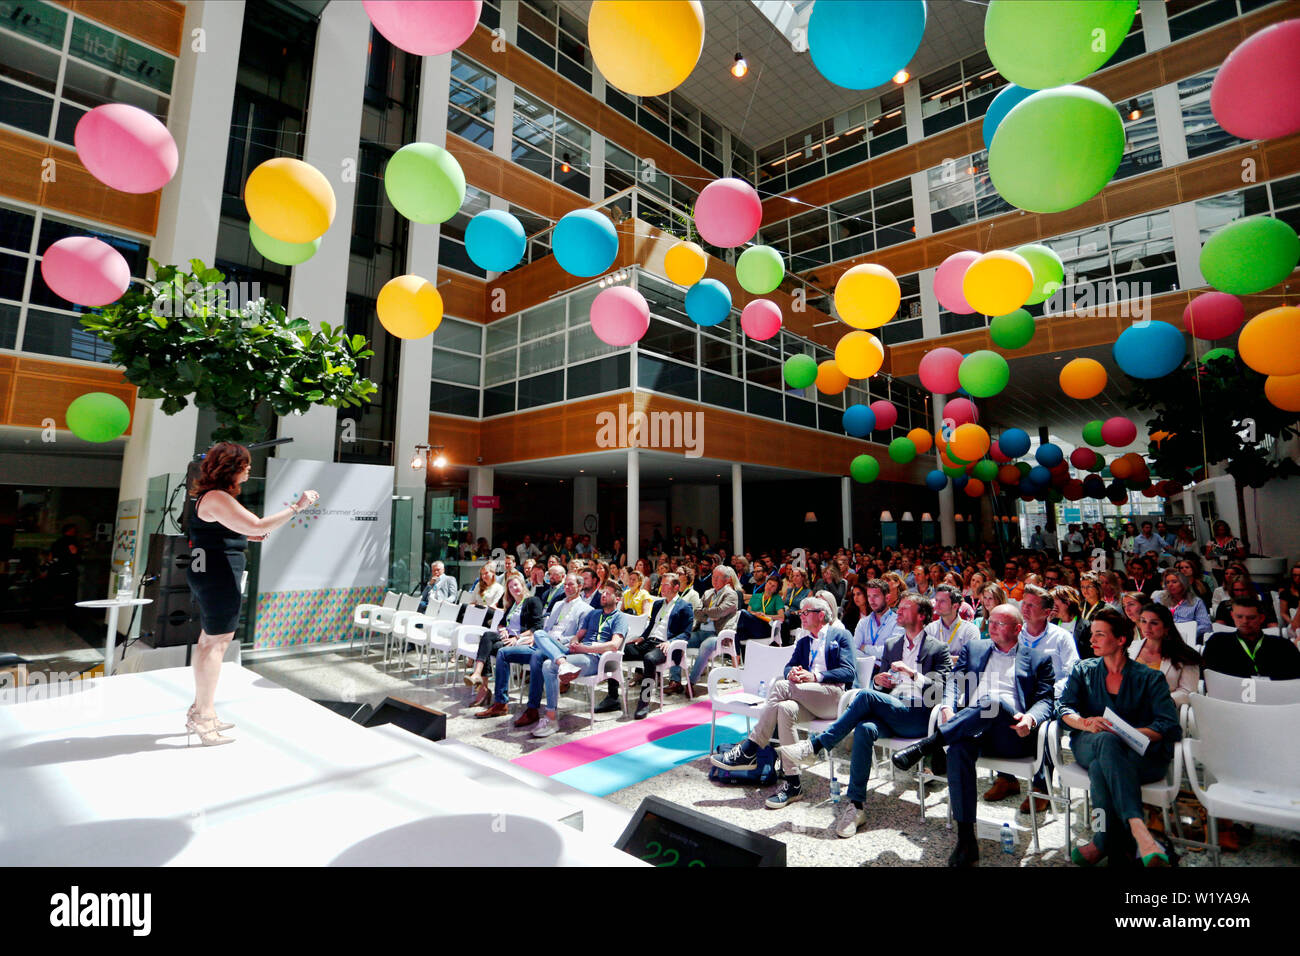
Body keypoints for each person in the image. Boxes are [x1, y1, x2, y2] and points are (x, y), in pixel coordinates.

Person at [891, 603, 1055, 867]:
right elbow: (955, 682)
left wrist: (1031, 717)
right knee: (958, 749)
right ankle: (966, 840)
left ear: (1018, 629)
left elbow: (1047, 700)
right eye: (990, 622)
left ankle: (928, 745)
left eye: (1001, 624)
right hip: (974, 729)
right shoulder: (976, 648)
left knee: (994, 702)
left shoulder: (1038, 658)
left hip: (1013, 732)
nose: (992, 628)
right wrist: (946, 704)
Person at [778, 593, 953, 838]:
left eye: (905, 608)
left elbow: (939, 692)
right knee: (864, 728)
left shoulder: (938, 649)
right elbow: (881, 685)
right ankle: (856, 806)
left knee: (865, 696)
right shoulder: (893, 644)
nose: (899, 612)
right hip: (891, 709)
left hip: (918, 716)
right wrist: (879, 682)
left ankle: (816, 745)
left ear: (922, 616)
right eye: (899, 607)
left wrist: (912, 674)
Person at [186, 442, 318, 746]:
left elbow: (237, 529)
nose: (249, 469)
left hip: (211, 571)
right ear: (232, 468)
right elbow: (256, 523)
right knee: (216, 643)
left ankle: (201, 709)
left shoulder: (212, 497)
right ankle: (203, 717)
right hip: (217, 574)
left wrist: (247, 534)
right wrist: (298, 507)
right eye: (245, 465)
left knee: (210, 641)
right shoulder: (217, 497)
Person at [1060, 607, 1181, 867]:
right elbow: (1064, 709)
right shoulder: (1083, 669)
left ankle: (1102, 840)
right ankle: (1139, 829)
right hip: (1089, 742)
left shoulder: (1150, 678)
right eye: (1092, 634)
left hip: (1141, 755)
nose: (1091, 640)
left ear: (1121, 640)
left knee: (1102, 764)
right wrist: (1084, 722)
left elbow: (1168, 725)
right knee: (1105, 741)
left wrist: (1126, 733)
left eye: (1100, 635)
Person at [710, 596, 857, 808]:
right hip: (806, 697)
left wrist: (815, 677)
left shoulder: (840, 635)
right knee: (784, 708)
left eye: (806, 612)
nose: (801, 616)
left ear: (821, 615)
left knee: (779, 687)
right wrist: (794, 673)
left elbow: (849, 671)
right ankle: (793, 784)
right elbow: (788, 667)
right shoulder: (804, 641)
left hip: (832, 697)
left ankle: (750, 747)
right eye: (801, 613)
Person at [478, 572, 591, 724]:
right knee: (503, 652)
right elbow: (545, 628)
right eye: (565, 584)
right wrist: (535, 639)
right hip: (540, 642)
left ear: (580, 586)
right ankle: (500, 703)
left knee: (537, 656)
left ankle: (532, 710)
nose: (567, 587)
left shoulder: (586, 609)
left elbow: (578, 637)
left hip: (558, 647)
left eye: (571, 584)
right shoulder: (558, 604)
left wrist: (548, 639)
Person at [464, 575, 543, 707]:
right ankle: (477, 675)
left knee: (487, 648)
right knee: (487, 635)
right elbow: (501, 624)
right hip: (506, 637)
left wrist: (517, 638)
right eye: (511, 587)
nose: (514, 589)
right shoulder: (512, 605)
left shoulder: (532, 601)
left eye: (516, 585)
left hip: (519, 640)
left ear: (523, 585)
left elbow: (537, 626)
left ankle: (483, 687)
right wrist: (503, 629)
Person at [623, 572, 694, 719]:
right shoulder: (657, 604)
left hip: (665, 645)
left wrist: (670, 642)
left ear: (676, 587)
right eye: (661, 584)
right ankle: (612, 696)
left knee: (649, 659)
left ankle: (644, 702)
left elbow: (686, 633)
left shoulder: (684, 606)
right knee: (619, 650)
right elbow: (651, 626)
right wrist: (641, 637)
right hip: (649, 642)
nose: (662, 588)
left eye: (666, 585)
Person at [1202, 594, 1300, 680]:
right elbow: (1208, 677)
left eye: (1251, 617)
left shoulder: (1283, 646)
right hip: (1229, 696)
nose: (1245, 621)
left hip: (1273, 696)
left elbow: (1294, 679)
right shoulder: (1217, 643)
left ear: (1261, 618)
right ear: (1232, 616)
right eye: (1239, 617)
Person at [681, 567, 742, 690]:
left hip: (717, 634)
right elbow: (696, 612)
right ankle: (675, 681)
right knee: (678, 642)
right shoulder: (707, 593)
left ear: (726, 580)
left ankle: (691, 682)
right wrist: (709, 615)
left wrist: (706, 613)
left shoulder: (731, 594)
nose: (714, 580)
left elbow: (719, 612)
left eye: (718, 577)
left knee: (706, 646)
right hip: (700, 631)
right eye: (713, 577)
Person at [1133, 603, 1202, 707]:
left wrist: (1160, 701)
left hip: (1161, 710)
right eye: (1143, 621)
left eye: (1154, 623)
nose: (1147, 627)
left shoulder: (1185, 655)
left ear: (1166, 627)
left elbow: (1187, 692)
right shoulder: (1130, 648)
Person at [926, 584, 980, 666]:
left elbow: (971, 659)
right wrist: (955, 658)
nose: (936, 605)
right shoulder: (930, 628)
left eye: (942, 601)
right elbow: (925, 658)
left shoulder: (970, 630)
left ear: (955, 606)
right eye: (936, 600)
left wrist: (940, 658)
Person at [852, 578, 903, 658]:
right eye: (869, 596)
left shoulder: (898, 622)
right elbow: (854, 649)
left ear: (887, 598)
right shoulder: (863, 622)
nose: (871, 601)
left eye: (875, 596)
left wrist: (865, 647)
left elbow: (890, 651)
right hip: (864, 667)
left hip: (887, 669)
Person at [1153, 569, 1212, 638]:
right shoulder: (1160, 599)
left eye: (1174, 582)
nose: (1170, 585)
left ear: (1183, 584)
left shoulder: (1196, 602)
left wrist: (1189, 632)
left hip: (1188, 638)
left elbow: (1206, 626)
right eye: (1167, 582)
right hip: (1163, 637)